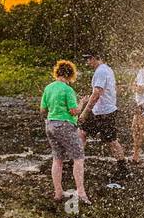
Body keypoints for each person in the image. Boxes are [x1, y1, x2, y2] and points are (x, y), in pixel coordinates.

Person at [40, 59, 89, 205]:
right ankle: (80, 192)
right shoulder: (68, 90)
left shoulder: (48, 88)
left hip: (50, 125)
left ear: (58, 72)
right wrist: (82, 102)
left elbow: (43, 110)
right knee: (79, 158)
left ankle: (58, 192)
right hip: (65, 126)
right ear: (70, 74)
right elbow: (74, 111)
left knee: (57, 159)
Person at [78, 50, 129, 180]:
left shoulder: (101, 71)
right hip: (99, 111)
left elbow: (97, 93)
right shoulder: (106, 69)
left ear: (96, 58)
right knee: (82, 131)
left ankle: (123, 168)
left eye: (89, 59)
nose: (87, 62)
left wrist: (85, 111)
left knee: (111, 141)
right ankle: (77, 161)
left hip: (105, 112)